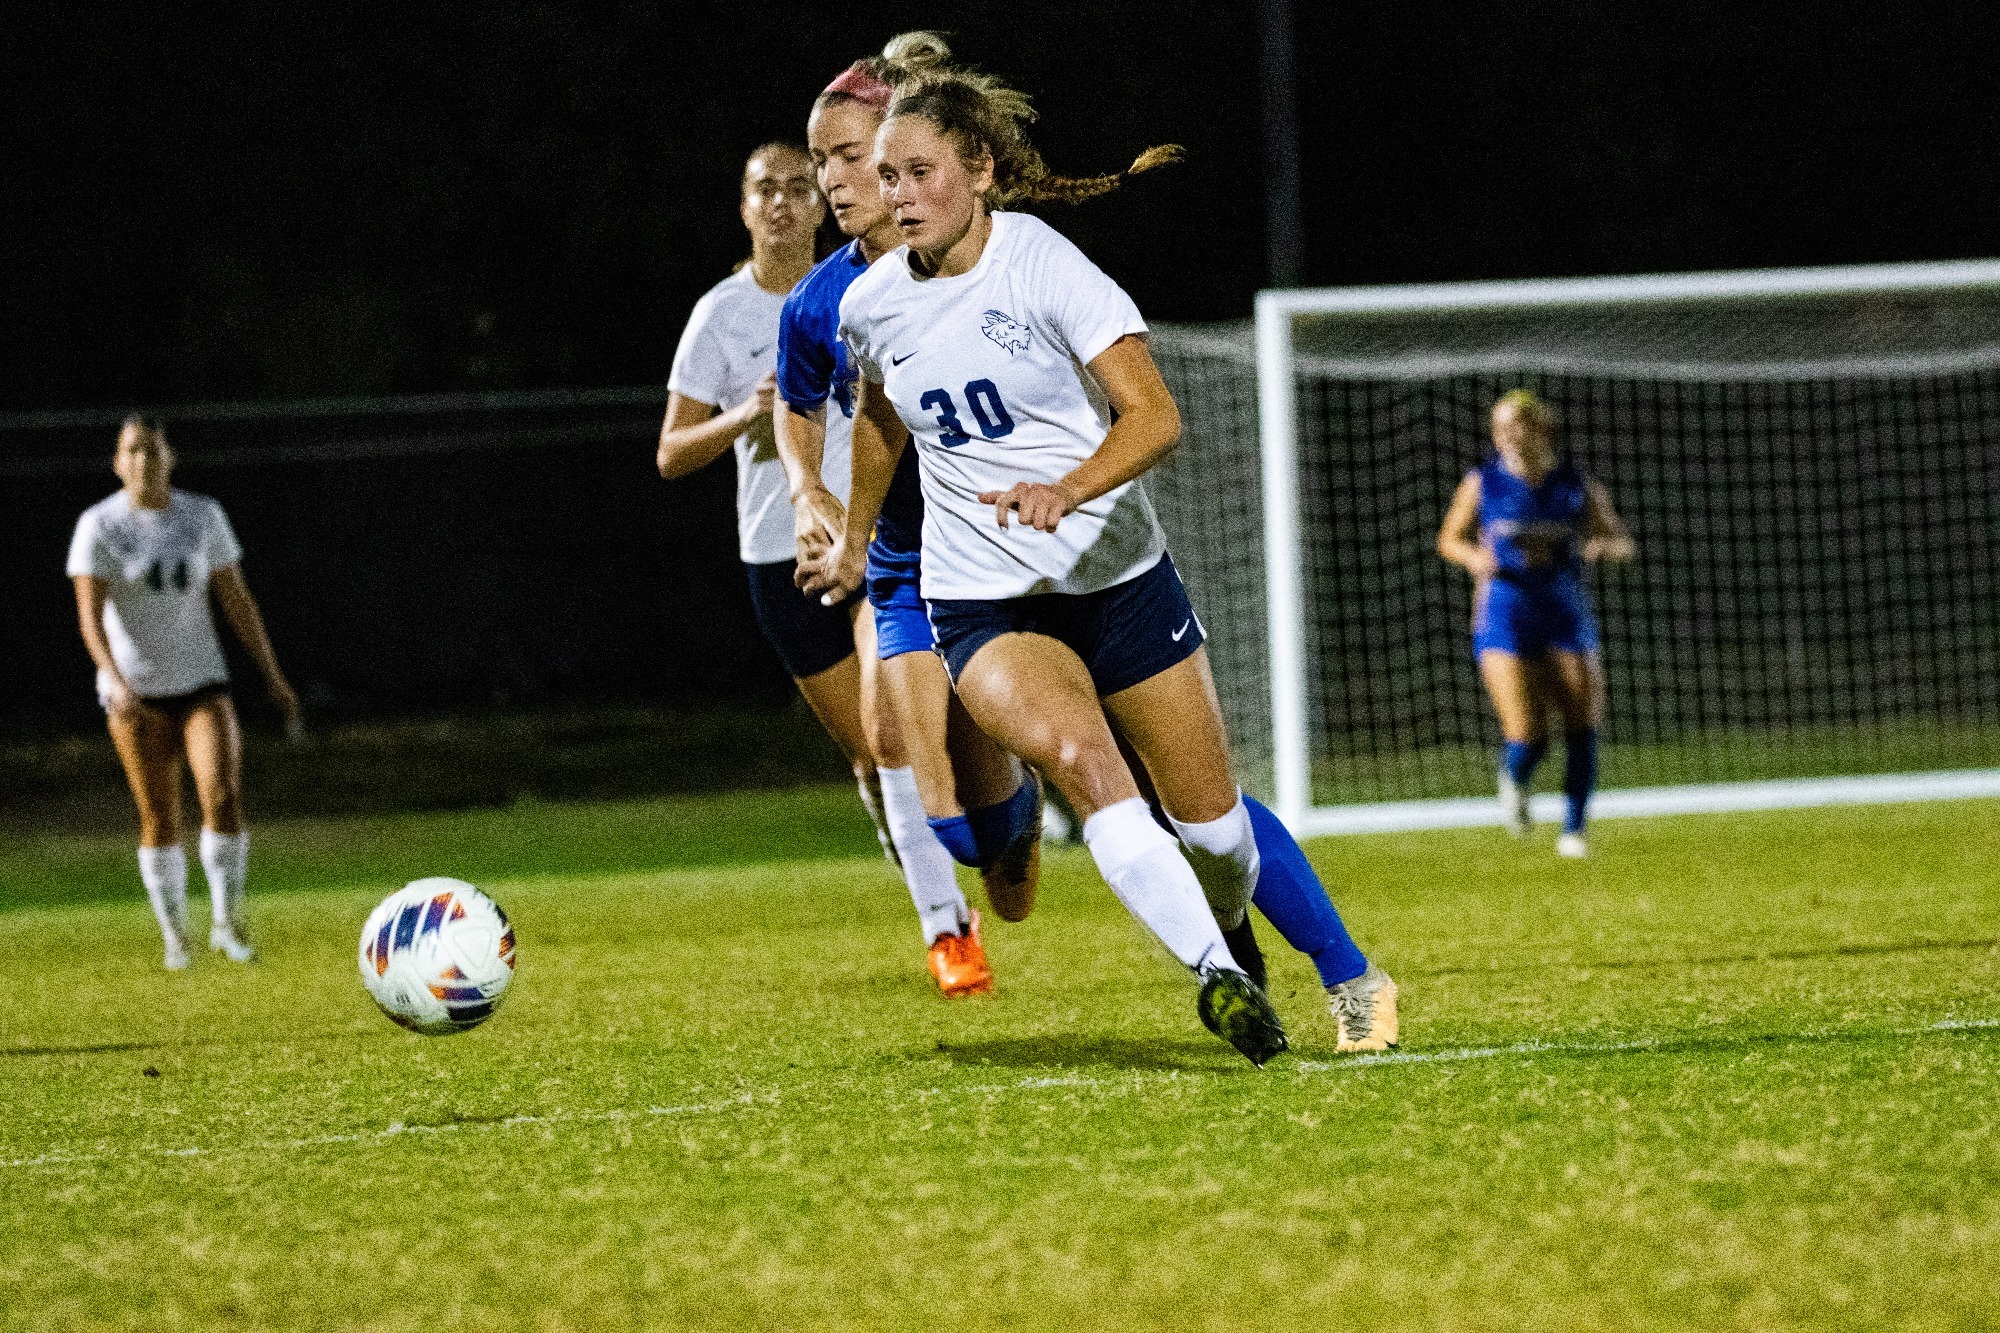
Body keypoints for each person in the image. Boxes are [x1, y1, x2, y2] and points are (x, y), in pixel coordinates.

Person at [808, 67, 1398, 1061]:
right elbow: (877, 418)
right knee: (1086, 766)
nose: (899, 195)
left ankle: (1343, 971)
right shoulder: (870, 305)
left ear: (980, 168)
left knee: (1213, 833)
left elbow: (1154, 416)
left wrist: (1067, 489)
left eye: (920, 172)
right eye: (888, 175)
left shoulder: (1042, 265)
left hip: (1116, 580)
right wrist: (856, 533)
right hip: (983, 600)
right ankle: (1217, 977)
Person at [657, 141, 992, 995]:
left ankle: (948, 929)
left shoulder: (868, 286)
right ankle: (935, 881)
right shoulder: (721, 315)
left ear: (821, 203)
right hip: (781, 556)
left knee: (893, 731)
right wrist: (745, 413)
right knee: (870, 757)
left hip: (873, 539)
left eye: (797, 187)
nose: (780, 202)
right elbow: (670, 452)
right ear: (743, 207)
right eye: (763, 189)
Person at [774, 36, 1045, 966]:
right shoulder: (822, 301)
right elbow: (797, 405)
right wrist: (809, 490)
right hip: (902, 553)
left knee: (1034, 822)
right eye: (821, 161)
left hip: (1010, 545)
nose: (831, 180)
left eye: (848, 155)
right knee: (925, 777)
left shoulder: (993, 260)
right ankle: (950, 925)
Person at [68, 416, 301, 969]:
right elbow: (89, 617)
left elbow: (237, 600)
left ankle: (227, 923)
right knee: (159, 816)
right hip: (136, 693)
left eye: (153, 449)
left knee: (221, 794)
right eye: (132, 450)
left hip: (202, 683)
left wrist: (273, 675)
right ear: (117, 463)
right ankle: (176, 937)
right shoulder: (99, 525)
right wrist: (114, 679)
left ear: (170, 457)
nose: (144, 460)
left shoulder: (203, 515)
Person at [1436, 389, 1636, 857]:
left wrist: (1605, 547)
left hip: (1564, 610)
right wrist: (1474, 557)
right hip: (1505, 612)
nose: (1505, 435)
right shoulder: (1483, 482)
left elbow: (1621, 540)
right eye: (1498, 427)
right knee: (1527, 732)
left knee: (1582, 720)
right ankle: (1514, 777)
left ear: (1540, 427)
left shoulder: (1574, 483)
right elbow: (1449, 538)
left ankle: (1574, 829)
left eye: (1514, 424)